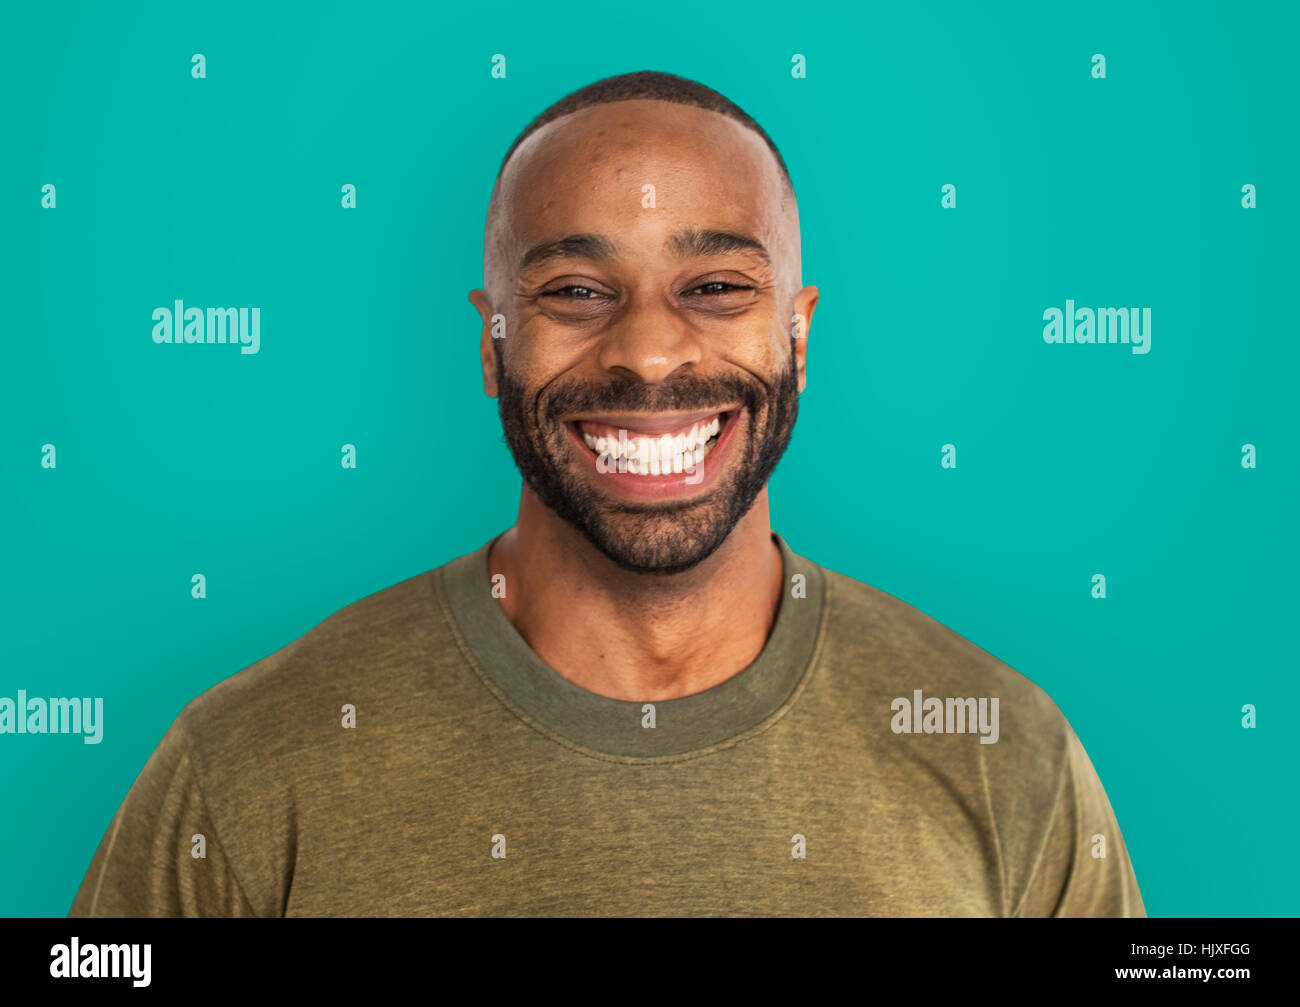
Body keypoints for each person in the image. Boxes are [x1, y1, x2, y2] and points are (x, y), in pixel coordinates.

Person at [69, 70, 1144, 917]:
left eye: (717, 287)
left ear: (799, 333)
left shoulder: (1003, 749)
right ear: (491, 340)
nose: (649, 353)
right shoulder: (247, 761)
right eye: (576, 291)